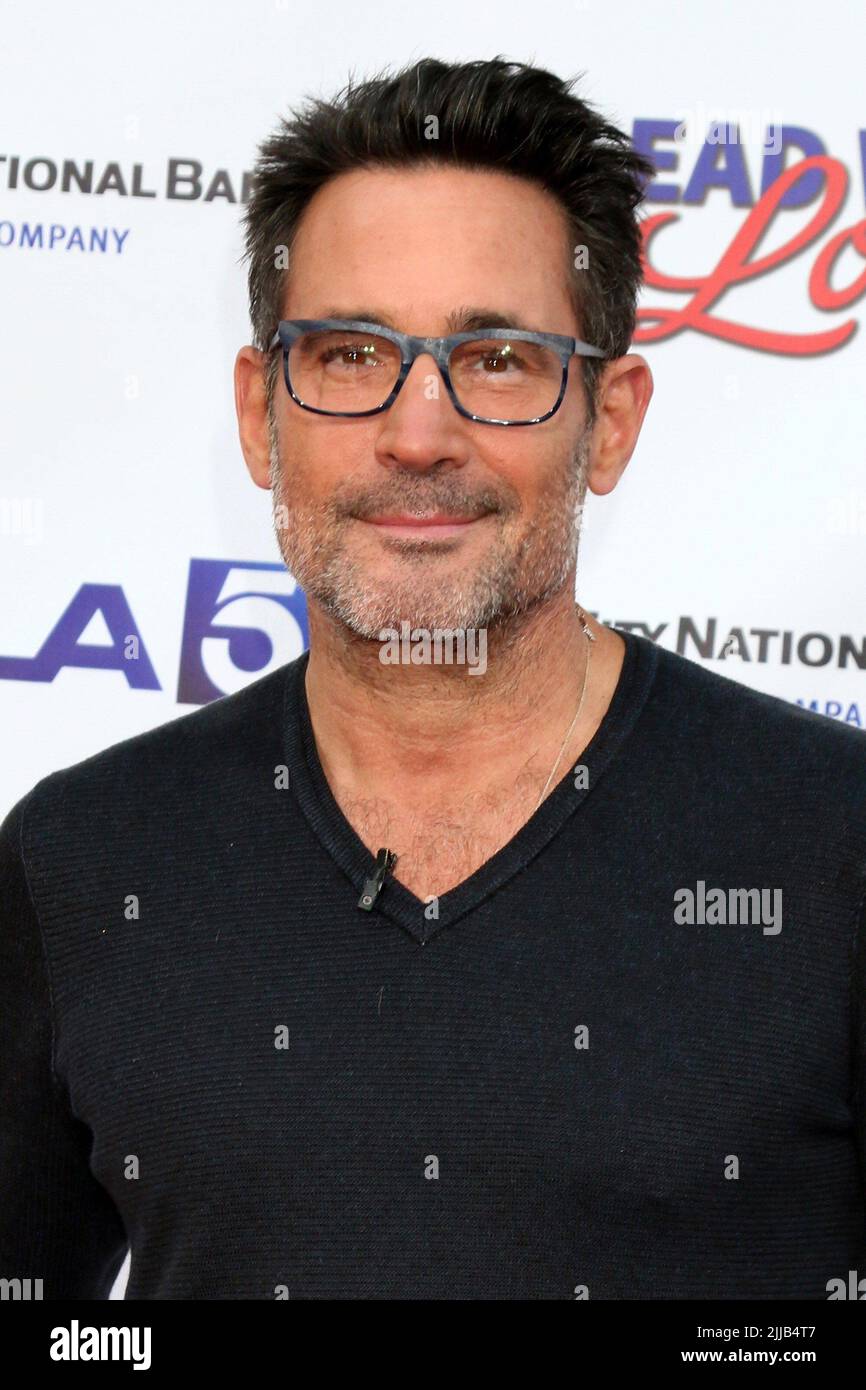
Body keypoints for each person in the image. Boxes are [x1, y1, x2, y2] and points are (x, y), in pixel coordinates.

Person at [1, 56, 864, 1301]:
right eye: (350, 355)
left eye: (498, 359)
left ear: (609, 419)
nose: (417, 435)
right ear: (258, 413)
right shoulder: (82, 860)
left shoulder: (832, 843)